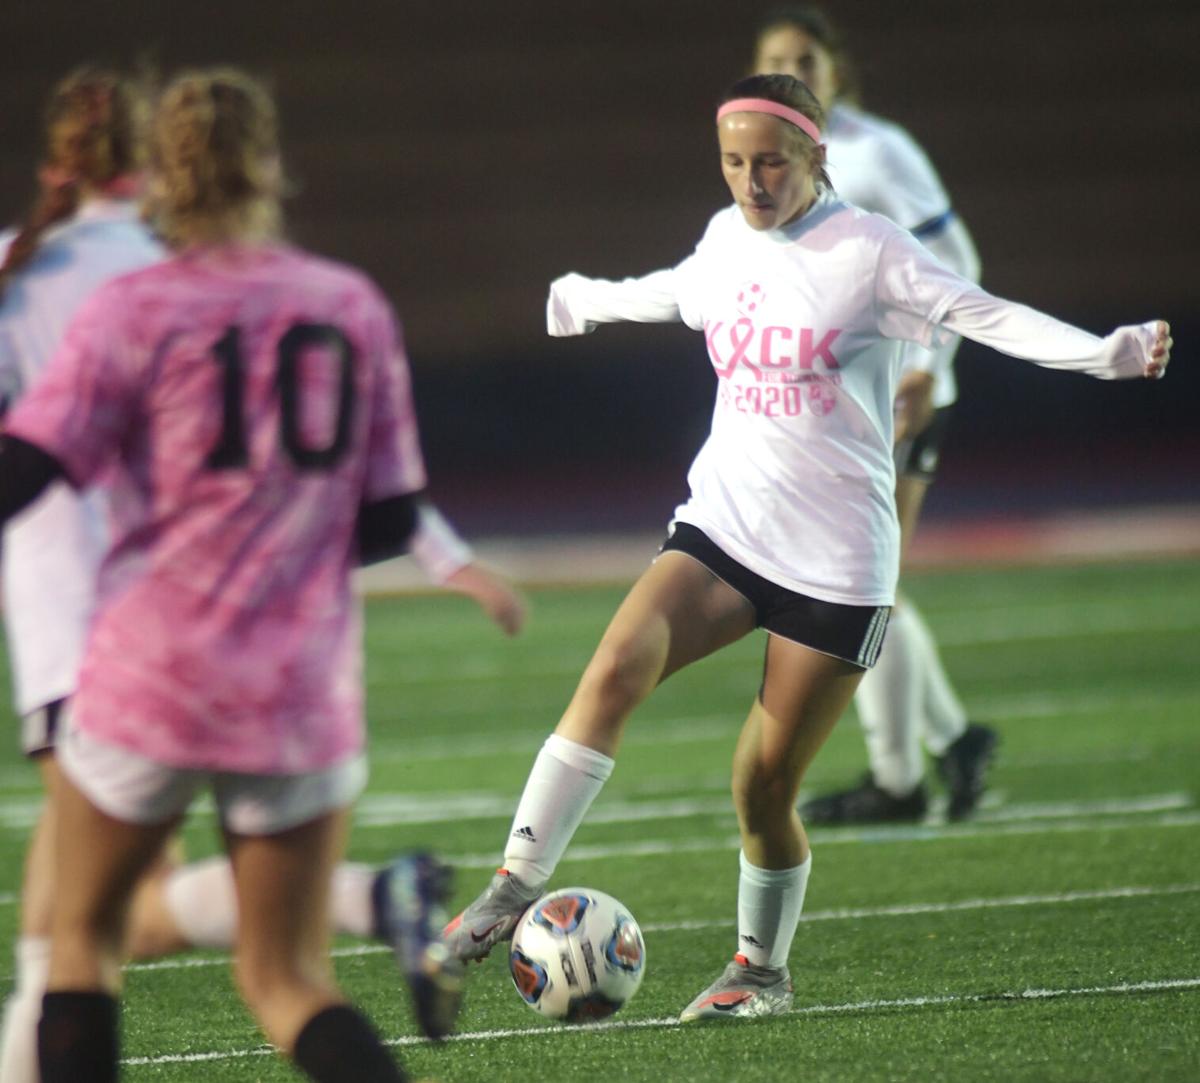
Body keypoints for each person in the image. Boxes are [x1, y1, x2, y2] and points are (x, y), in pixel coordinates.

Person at [442, 73, 1170, 1022]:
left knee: (763, 783)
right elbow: (678, 290)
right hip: (727, 526)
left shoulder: (866, 251)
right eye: (734, 163)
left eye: (771, 163)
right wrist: (584, 299)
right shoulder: (724, 236)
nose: (751, 181)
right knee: (617, 662)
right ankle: (512, 883)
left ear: (816, 155)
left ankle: (761, 971)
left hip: (837, 562)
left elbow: (981, 312)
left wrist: (1104, 352)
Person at [0, 66, 527, 1083]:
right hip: (296, 683)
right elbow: (388, 515)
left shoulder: (132, 308)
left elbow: (29, 469)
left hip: (148, 673)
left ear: (165, 178)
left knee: (80, 944)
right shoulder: (350, 306)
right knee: (288, 981)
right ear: (272, 169)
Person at [753, 4, 995, 824]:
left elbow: (958, 260)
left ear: (836, 70)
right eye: (777, 60)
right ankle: (952, 740)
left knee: (866, 585)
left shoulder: (877, 150)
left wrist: (929, 366)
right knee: (867, 583)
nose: (795, 70)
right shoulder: (771, 160)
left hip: (894, 400)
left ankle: (900, 778)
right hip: (828, 408)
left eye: (806, 59)